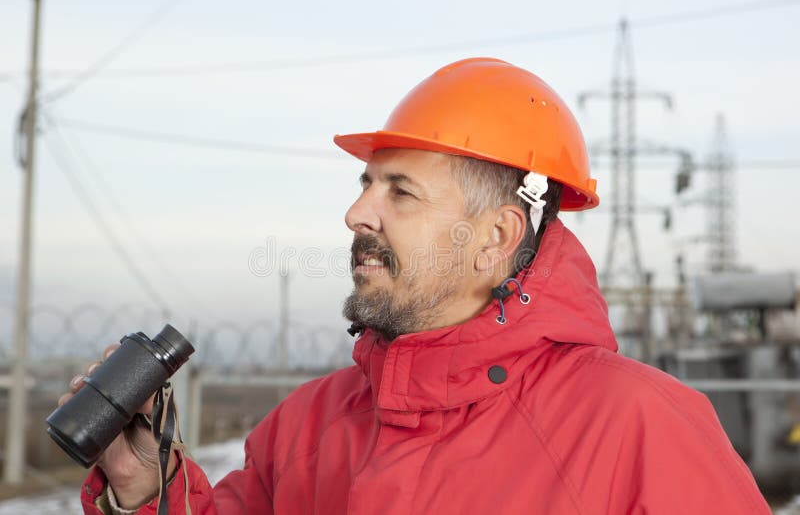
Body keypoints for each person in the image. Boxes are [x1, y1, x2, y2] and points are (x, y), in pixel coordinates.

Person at [62, 57, 770, 514]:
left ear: (494, 239)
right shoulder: (305, 430)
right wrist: (149, 493)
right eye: (366, 184)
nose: (357, 213)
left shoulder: (637, 427)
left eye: (400, 192)